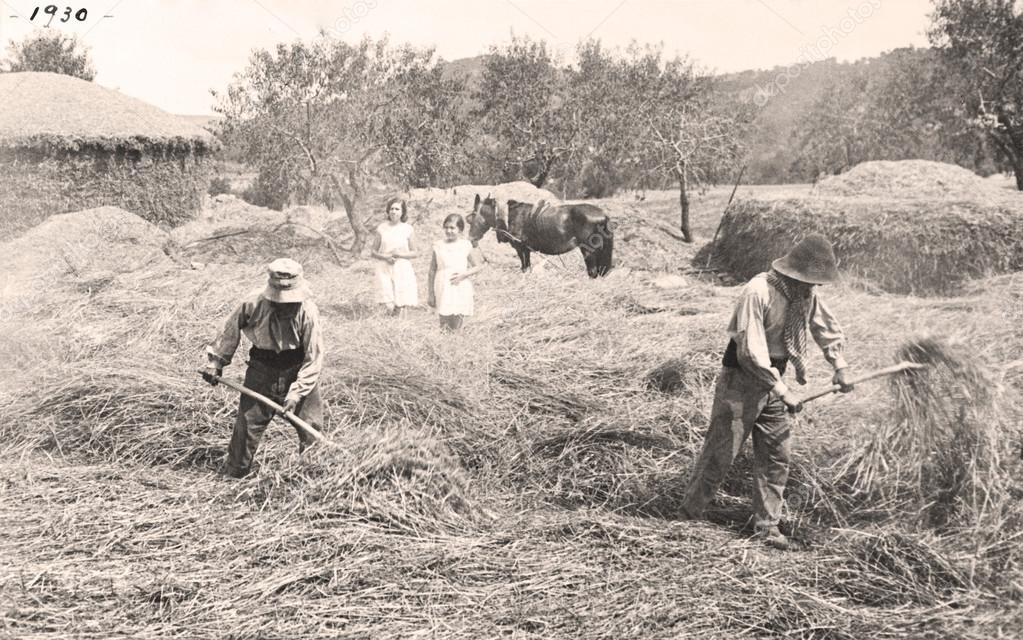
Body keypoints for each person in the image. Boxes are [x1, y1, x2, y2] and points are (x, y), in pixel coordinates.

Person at [680, 234, 854, 550]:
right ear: (794, 273)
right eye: (811, 281)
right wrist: (781, 389)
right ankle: (689, 515)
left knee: (777, 455)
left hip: (776, 380)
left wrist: (839, 364)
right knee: (721, 452)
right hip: (742, 379)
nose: (814, 288)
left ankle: (767, 526)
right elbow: (750, 352)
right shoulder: (758, 291)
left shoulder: (805, 294)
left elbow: (825, 328)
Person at [201, 258, 325, 478]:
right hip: (262, 369)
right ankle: (235, 475)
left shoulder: (308, 311)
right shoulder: (252, 303)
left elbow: (313, 358)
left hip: (297, 369)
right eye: (280, 301)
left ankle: (313, 475)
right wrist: (216, 363)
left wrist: (296, 393)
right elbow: (229, 330)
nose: (285, 305)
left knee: (311, 429)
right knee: (246, 428)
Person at [428, 214, 484, 331]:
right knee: (444, 322)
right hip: (442, 285)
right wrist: (431, 293)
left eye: (452, 228)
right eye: (446, 227)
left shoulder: (465, 245)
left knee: (457, 322)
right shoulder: (438, 245)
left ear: (460, 230)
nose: (449, 231)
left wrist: (464, 275)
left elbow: (478, 266)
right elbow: (432, 270)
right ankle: (444, 345)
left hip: (460, 286)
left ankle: (456, 343)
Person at [371, 197, 419, 318]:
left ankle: (399, 327)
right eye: (391, 209)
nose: (393, 211)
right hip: (384, 267)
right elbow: (373, 251)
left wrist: (399, 254)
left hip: (402, 268)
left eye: (397, 209)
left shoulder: (408, 229)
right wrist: (385, 257)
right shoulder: (382, 228)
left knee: (401, 302)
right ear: (388, 211)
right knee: (388, 303)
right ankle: (390, 321)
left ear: (402, 212)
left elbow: (415, 252)